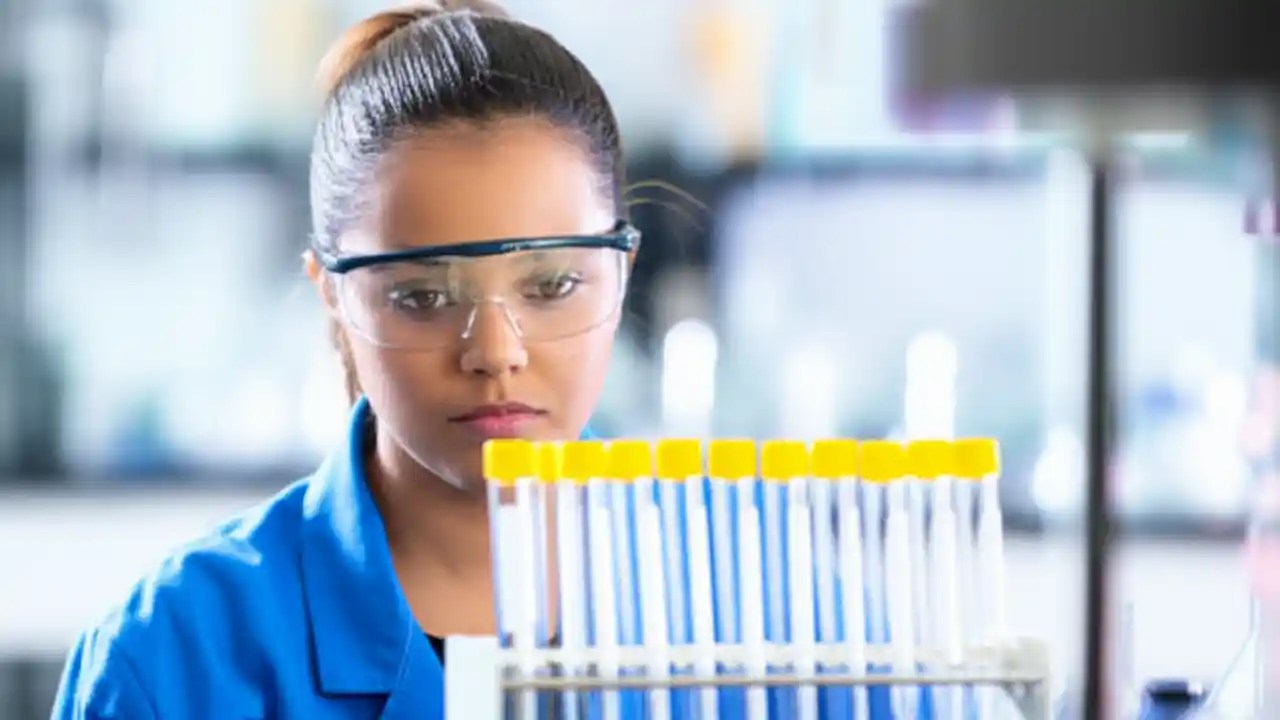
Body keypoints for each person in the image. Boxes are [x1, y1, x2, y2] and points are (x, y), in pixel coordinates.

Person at [50, 2, 636, 717]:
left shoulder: (756, 612)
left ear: (622, 273)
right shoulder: (171, 657)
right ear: (332, 298)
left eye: (552, 285)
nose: (494, 351)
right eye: (422, 297)